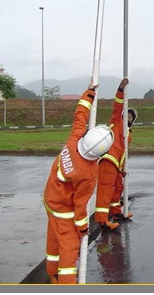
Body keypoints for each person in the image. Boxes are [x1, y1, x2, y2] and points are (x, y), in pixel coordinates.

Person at [42, 81, 114, 284]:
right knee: (68, 248)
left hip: (49, 200)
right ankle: (66, 282)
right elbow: (80, 204)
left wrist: (88, 94)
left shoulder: (73, 140)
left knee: (53, 241)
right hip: (64, 211)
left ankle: (52, 273)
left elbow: (79, 116)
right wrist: (82, 229)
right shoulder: (89, 173)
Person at [94, 78, 137, 230]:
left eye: (132, 117)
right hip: (108, 160)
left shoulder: (128, 133)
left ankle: (116, 212)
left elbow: (124, 152)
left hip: (117, 165)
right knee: (106, 189)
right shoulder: (116, 122)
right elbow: (118, 105)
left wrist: (123, 168)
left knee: (118, 188)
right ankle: (102, 220)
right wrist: (120, 89)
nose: (129, 117)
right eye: (128, 115)